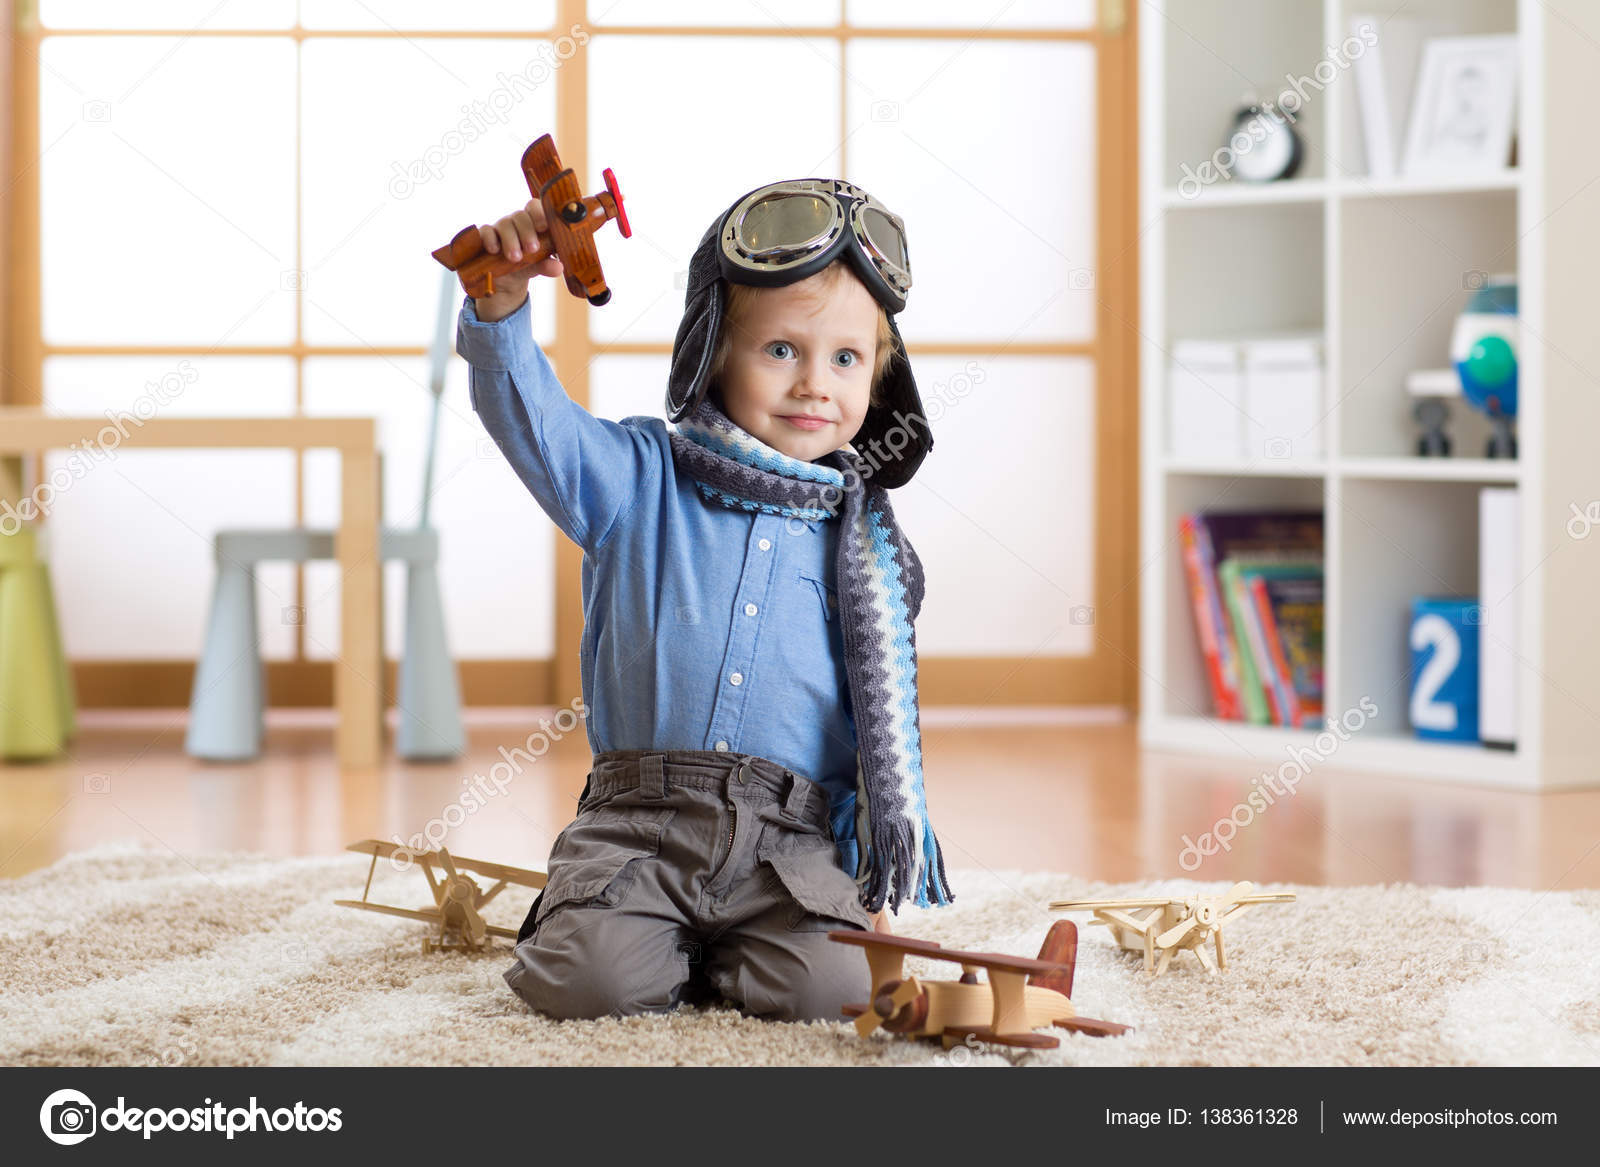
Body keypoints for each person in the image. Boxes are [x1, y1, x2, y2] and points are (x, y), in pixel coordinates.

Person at [455, 177, 952, 1022]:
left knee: (832, 993)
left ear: (877, 372)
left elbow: (857, 731)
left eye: (845, 358)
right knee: (592, 983)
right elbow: (533, 424)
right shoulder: (636, 477)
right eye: (781, 350)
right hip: (639, 823)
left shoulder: (869, 552)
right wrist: (498, 313)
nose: (814, 386)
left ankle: (730, 952)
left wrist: (860, 869)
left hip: (787, 845)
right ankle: (642, 937)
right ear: (715, 350)